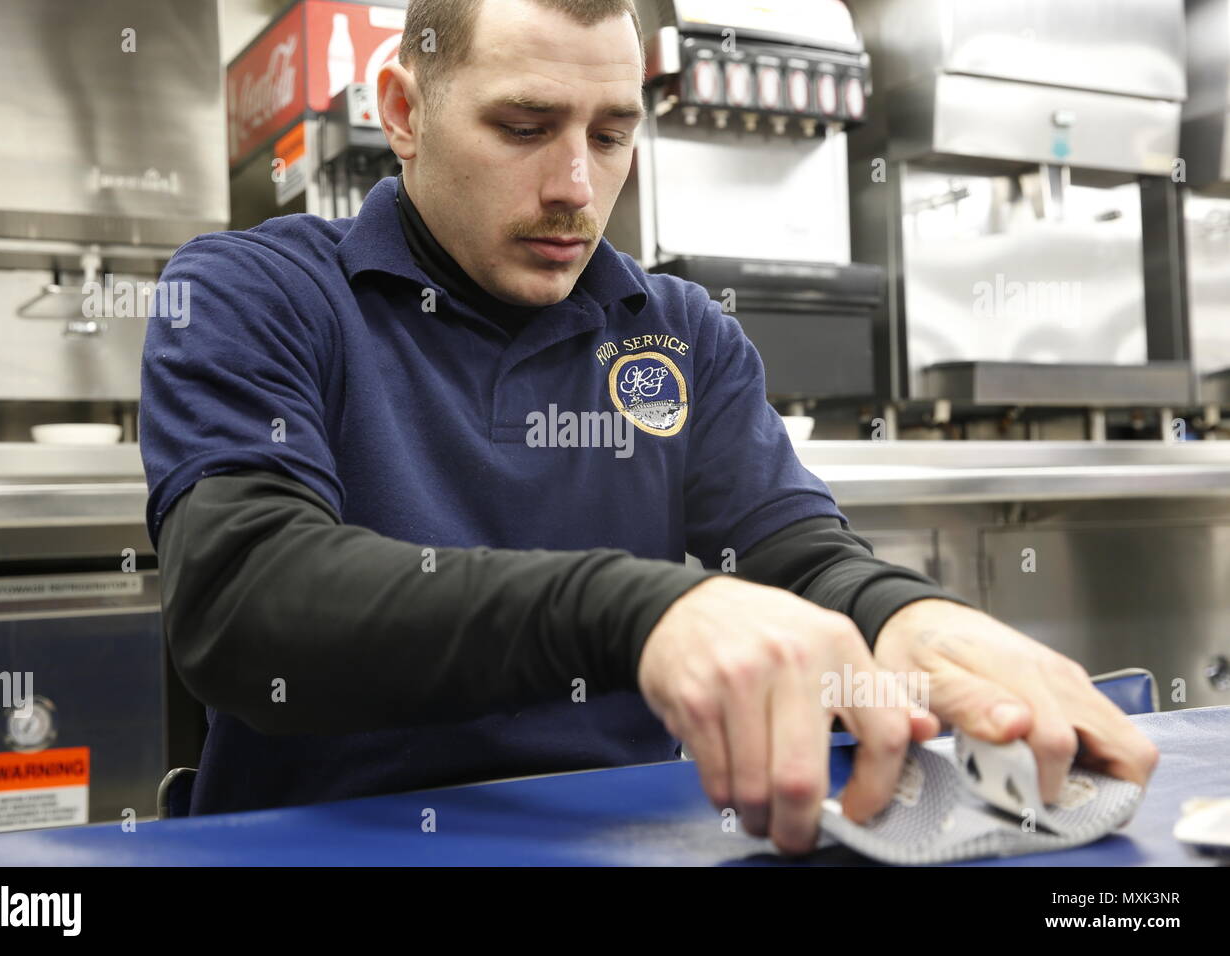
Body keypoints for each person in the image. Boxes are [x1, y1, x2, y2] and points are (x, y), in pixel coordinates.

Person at [139, 0, 1157, 854]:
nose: (575, 189)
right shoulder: (257, 292)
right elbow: (243, 598)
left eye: (611, 134)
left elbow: (794, 554)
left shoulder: (680, 334)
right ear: (404, 112)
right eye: (524, 127)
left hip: (619, 840)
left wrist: (905, 618)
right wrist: (642, 611)